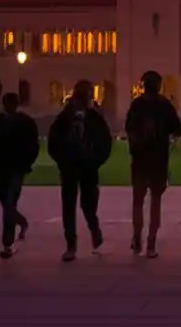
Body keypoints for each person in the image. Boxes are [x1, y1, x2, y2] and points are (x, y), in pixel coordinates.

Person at [48, 80, 112, 262]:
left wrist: (96, 160)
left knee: (88, 204)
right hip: (70, 166)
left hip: (88, 166)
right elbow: (54, 142)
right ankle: (71, 244)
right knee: (69, 206)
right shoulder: (64, 118)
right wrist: (62, 159)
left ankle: (93, 228)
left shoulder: (94, 118)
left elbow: (104, 143)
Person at [124, 71, 181, 259]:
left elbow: (129, 128)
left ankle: (137, 238)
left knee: (137, 201)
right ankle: (151, 242)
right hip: (158, 160)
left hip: (140, 159)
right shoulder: (165, 105)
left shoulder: (137, 105)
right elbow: (177, 129)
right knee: (155, 202)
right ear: (158, 85)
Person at [0, 91, 40, 259]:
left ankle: (7, 243)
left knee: (8, 202)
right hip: (5, 167)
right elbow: (33, 145)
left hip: (11, 168)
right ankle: (21, 222)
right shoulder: (21, 122)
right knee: (8, 203)